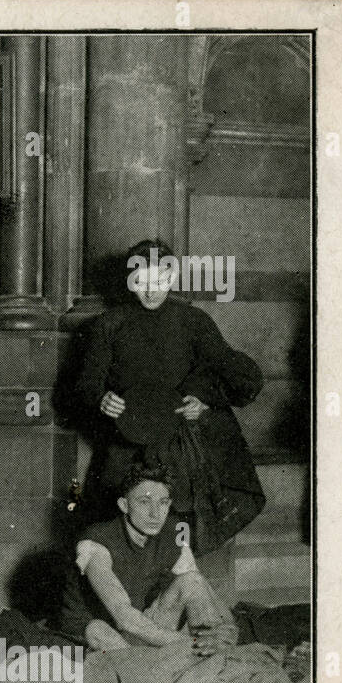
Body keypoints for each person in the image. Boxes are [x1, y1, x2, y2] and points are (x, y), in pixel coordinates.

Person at [73, 238, 264, 551]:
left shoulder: (192, 321)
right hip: (128, 441)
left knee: (181, 526)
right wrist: (101, 398)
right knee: (122, 529)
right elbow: (85, 386)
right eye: (142, 282)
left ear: (172, 278)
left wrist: (205, 400)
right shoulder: (109, 325)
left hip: (182, 445)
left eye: (159, 281)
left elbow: (241, 375)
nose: (151, 292)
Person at [58, 461, 238, 654]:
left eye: (162, 503)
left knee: (191, 580)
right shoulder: (96, 543)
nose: (155, 514)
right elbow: (123, 615)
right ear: (124, 505)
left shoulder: (173, 533)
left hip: (141, 627)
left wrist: (228, 630)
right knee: (98, 630)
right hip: (96, 631)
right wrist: (189, 643)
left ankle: (212, 653)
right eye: (144, 502)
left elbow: (201, 588)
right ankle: (153, 666)